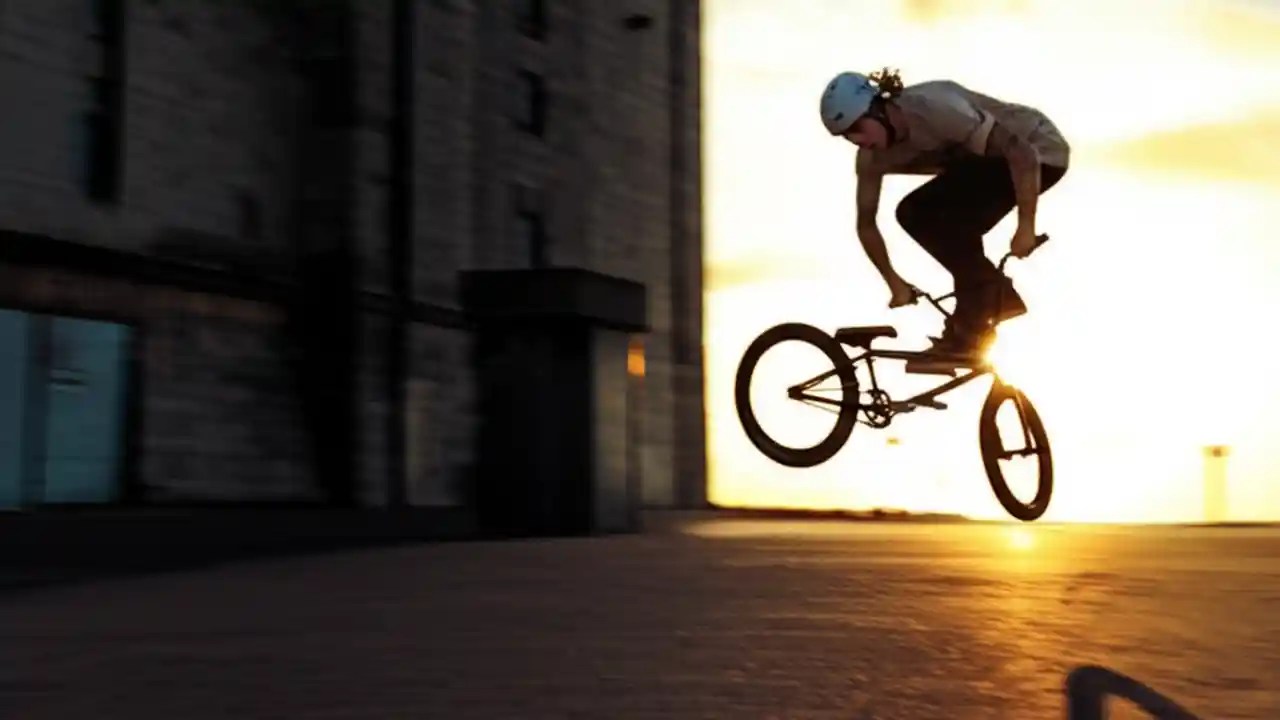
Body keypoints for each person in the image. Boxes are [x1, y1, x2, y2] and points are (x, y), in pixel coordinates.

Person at [819, 68, 1069, 365]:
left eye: (858, 128)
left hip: (1039, 151)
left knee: (935, 219)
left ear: (879, 108)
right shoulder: (872, 157)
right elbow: (866, 223)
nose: (857, 141)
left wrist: (1025, 226)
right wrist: (893, 282)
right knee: (919, 215)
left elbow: (1022, 154)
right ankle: (989, 307)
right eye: (847, 137)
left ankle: (975, 322)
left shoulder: (937, 108)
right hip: (983, 164)